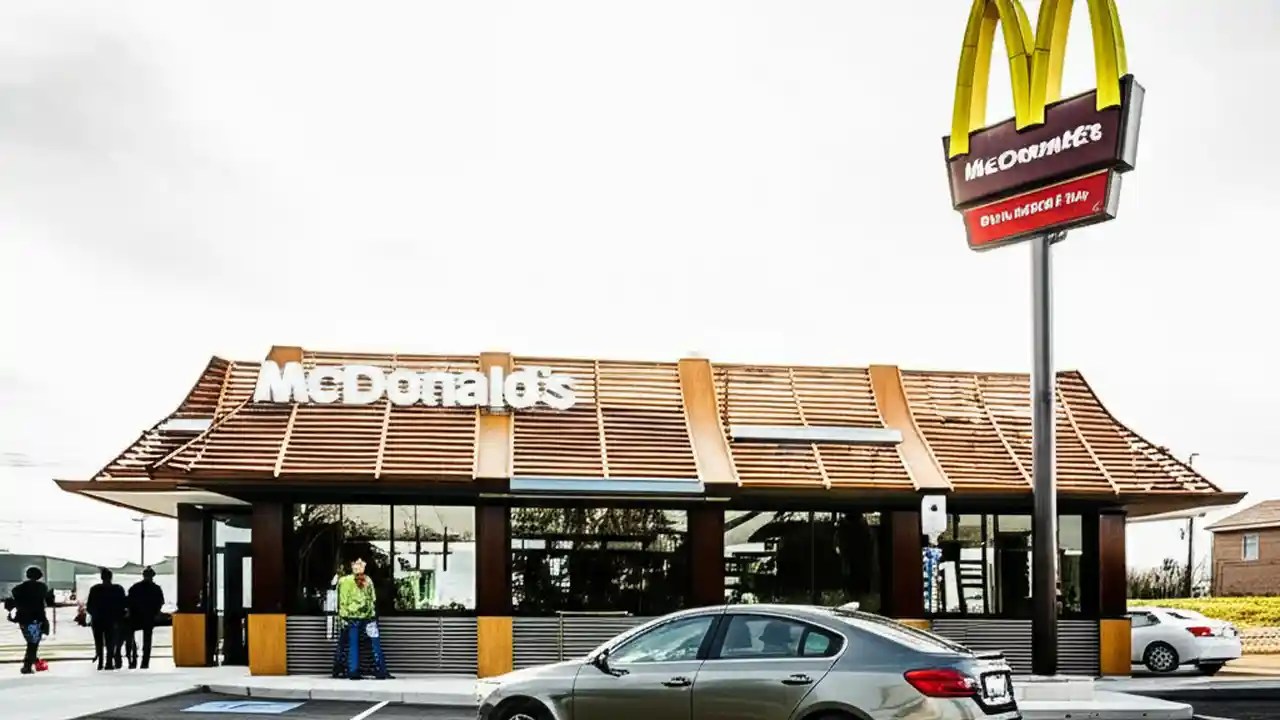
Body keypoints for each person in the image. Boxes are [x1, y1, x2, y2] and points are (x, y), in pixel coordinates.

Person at [337, 556, 391, 680]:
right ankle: (380, 669)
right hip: (368, 617)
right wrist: (371, 614)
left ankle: (353, 671)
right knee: (374, 644)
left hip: (352, 617)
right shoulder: (368, 580)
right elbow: (373, 599)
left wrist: (343, 617)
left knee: (353, 644)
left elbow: (342, 602)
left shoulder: (345, 581)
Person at [3, 566, 54, 674]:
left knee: (31, 642)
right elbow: (49, 601)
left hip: (24, 619)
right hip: (37, 618)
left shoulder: (17, 589)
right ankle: (29, 664)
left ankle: (29, 664)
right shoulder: (42, 588)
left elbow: (12, 602)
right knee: (33, 643)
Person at [86, 568, 126, 670]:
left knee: (98, 641)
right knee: (110, 641)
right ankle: (109, 662)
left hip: (98, 619)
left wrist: (95, 614)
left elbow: (89, 606)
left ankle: (100, 662)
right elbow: (123, 605)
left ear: (101, 577)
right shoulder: (118, 589)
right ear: (111, 577)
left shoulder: (95, 589)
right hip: (112, 620)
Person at [126, 567, 165, 669]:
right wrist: (156, 613)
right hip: (149, 617)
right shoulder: (156, 588)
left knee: (131, 638)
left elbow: (128, 602)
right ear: (153, 576)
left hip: (135, 617)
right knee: (147, 640)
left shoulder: (135, 587)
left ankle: (133, 659)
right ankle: (145, 662)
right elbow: (160, 602)